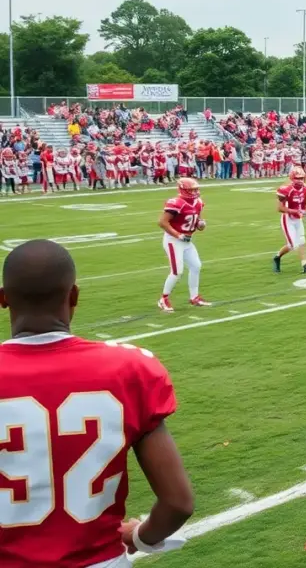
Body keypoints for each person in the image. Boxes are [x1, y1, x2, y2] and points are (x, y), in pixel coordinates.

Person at [0, 240, 194, 567]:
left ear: (3, 298)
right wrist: (140, 537)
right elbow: (178, 502)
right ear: (73, 295)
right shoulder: (128, 369)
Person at [157, 178, 210, 311]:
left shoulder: (198, 202)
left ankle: (194, 297)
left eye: (195, 189)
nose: (194, 192)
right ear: (183, 190)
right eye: (191, 189)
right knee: (177, 271)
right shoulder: (176, 203)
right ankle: (163, 299)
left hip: (187, 240)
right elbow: (162, 222)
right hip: (173, 240)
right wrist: (178, 235)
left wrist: (200, 224)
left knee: (196, 266)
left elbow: (195, 221)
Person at [272, 167, 306, 274]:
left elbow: (305, 202)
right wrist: (294, 211)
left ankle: (305, 265)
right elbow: (280, 208)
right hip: (288, 219)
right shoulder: (286, 190)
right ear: (292, 178)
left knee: (302, 241)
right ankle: (277, 257)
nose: (300, 180)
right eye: (297, 178)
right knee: (292, 245)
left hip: (298, 219)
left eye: (302, 178)